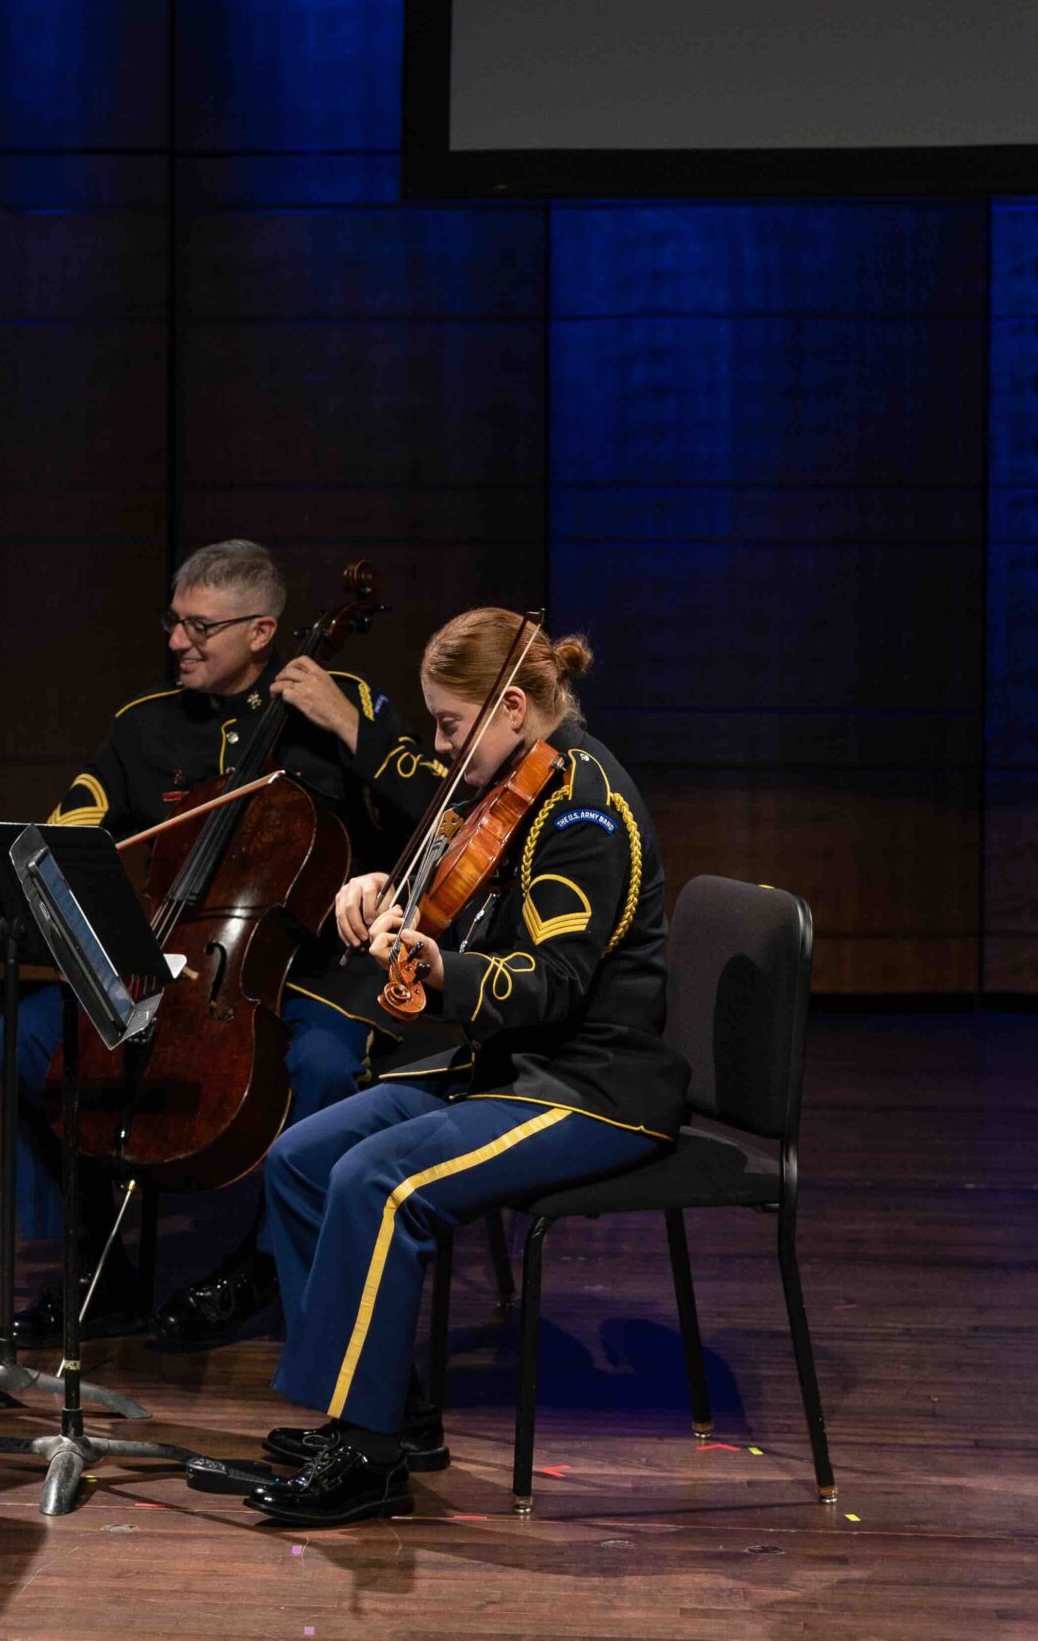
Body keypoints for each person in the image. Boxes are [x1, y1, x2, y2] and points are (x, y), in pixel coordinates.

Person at [202, 609, 685, 1527]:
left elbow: (553, 983)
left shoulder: (585, 810)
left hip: (588, 1085)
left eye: (451, 724)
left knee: (380, 1181)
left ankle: (369, 1455)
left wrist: (439, 968)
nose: (438, 745)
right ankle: (385, 1405)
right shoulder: (511, 785)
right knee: (301, 1159)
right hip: (505, 1065)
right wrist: (378, 889)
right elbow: (450, 892)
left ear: (513, 708)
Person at [5, 540, 441, 1350]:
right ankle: (92, 1260)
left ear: (262, 631)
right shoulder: (143, 725)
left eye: (200, 627)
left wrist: (347, 725)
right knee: (28, 1035)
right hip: (180, 960)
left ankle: (263, 1265)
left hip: (317, 968)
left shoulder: (346, 702)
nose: (178, 641)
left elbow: (441, 813)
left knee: (325, 1064)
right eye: (173, 621)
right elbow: (71, 832)